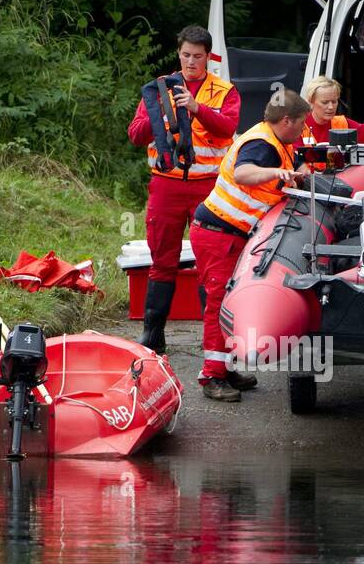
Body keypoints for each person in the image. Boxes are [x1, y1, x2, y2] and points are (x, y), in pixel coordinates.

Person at [190, 89, 311, 402]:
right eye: (300, 124)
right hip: (219, 233)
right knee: (218, 304)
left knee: (228, 301)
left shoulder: (276, 141)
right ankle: (211, 376)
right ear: (287, 120)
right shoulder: (261, 146)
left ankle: (226, 368)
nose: (302, 130)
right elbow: (245, 173)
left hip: (229, 234)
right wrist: (275, 173)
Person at [127, 25, 240, 352]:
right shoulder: (158, 88)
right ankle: (153, 335)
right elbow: (136, 135)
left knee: (211, 264)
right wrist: (157, 111)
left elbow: (228, 128)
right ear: (179, 54)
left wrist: (195, 107)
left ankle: (215, 341)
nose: (191, 62)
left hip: (210, 188)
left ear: (209, 57)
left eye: (198, 56)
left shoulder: (224, 91)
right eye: (186, 55)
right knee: (163, 259)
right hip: (166, 185)